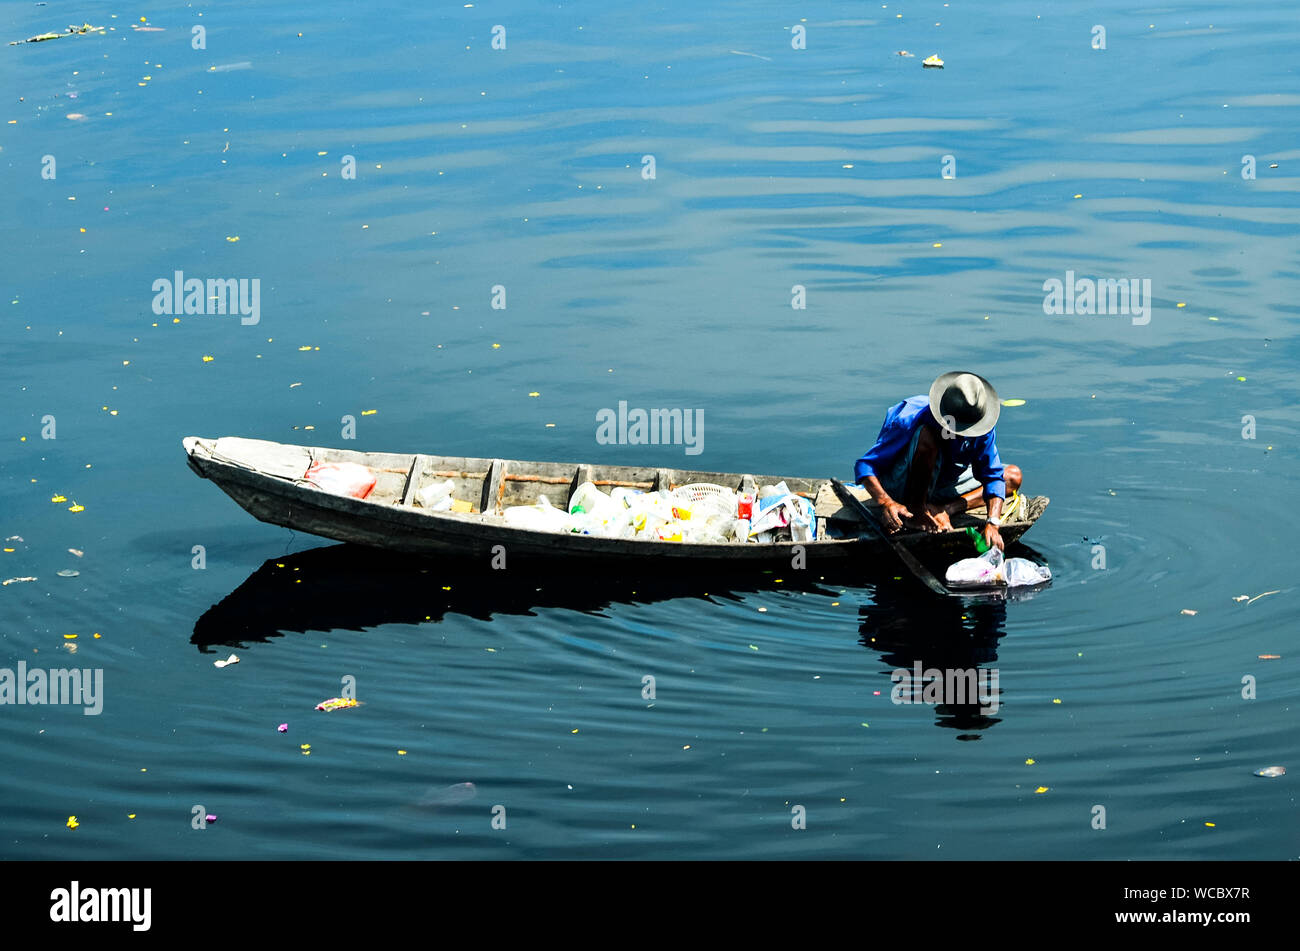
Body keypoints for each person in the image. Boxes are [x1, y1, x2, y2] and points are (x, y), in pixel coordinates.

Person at [854, 372, 1022, 551]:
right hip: (903, 484)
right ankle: (918, 510)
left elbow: (993, 476)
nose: (964, 433)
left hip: (944, 482)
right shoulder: (909, 417)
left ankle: (944, 508)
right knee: (928, 437)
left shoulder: (980, 424)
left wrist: (992, 524)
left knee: (1012, 477)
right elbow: (865, 466)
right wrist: (886, 502)